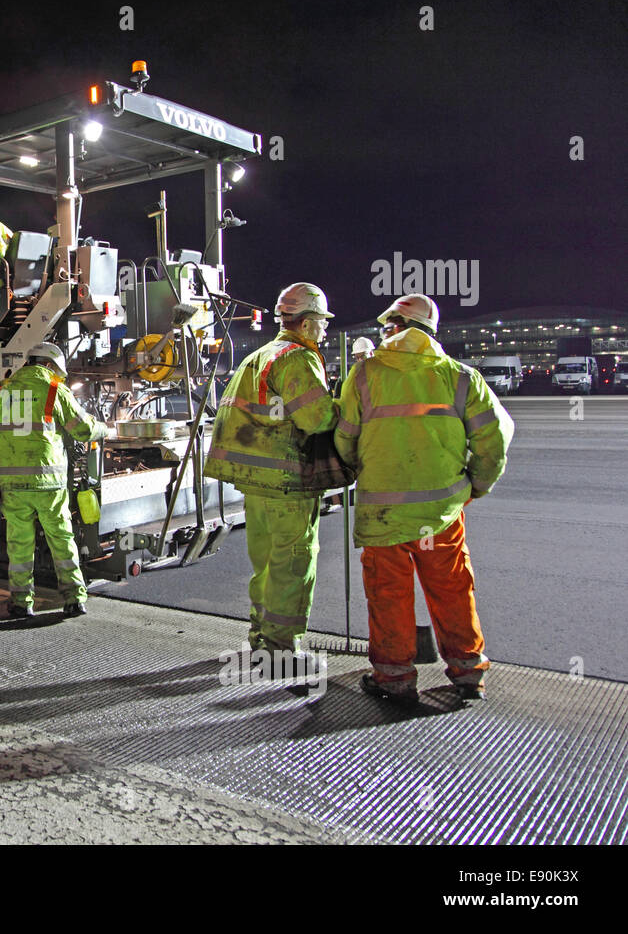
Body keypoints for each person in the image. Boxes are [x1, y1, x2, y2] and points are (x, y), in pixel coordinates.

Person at [336, 294, 513, 703]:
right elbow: (495, 442)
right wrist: (476, 486)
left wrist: (360, 468)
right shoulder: (460, 376)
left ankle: (395, 679)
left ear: (396, 328)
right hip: (441, 514)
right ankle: (468, 674)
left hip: (383, 514)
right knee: (452, 588)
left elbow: (345, 439)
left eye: (386, 327)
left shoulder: (365, 376)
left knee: (388, 593)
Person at [204, 283, 340, 663]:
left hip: (256, 484)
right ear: (308, 323)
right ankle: (281, 651)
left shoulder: (260, 356)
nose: (325, 331)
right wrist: (346, 407)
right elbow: (318, 419)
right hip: (286, 482)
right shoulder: (297, 359)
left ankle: (261, 636)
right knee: (293, 565)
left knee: (266, 565)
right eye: (322, 323)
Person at [0, 342, 109, 619]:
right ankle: (74, 599)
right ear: (49, 366)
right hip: (48, 483)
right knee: (61, 538)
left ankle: (21, 603)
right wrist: (104, 428)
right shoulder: (53, 390)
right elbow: (83, 430)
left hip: (12, 486)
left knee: (19, 544)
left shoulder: (2, 392)